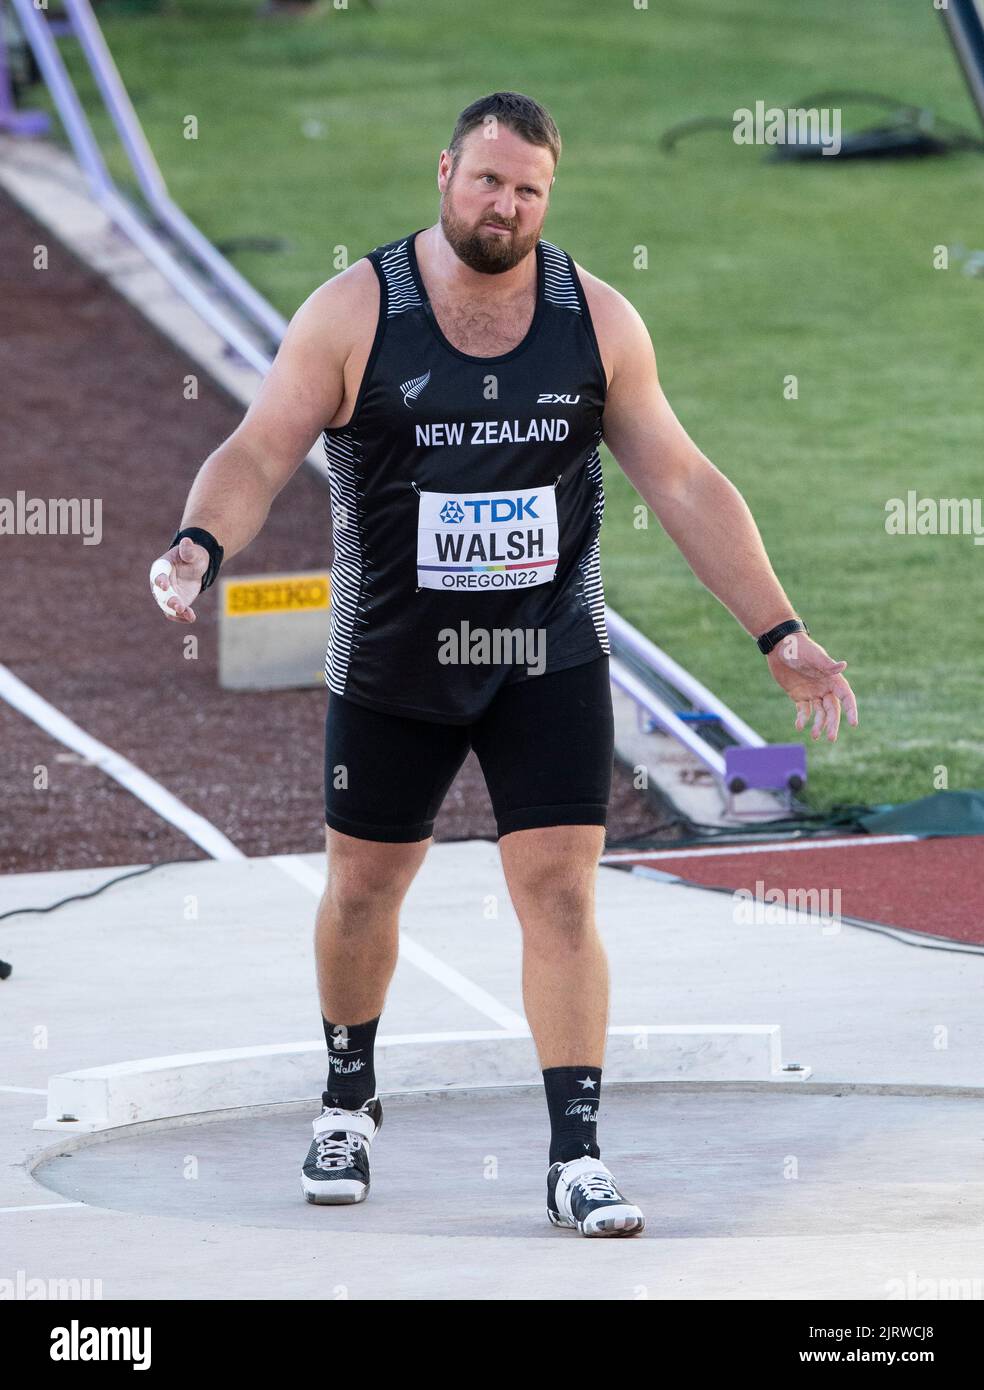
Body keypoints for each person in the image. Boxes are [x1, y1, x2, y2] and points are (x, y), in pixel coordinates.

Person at [149, 91, 858, 1238]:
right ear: (444, 173)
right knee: (366, 889)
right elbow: (260, 444)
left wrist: (779, 633)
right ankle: (347, 1096)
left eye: (529, 189)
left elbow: (681, 480)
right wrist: (199, 543)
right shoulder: (353, 312)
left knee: (563, 893)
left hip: (546, 654)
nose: (506, 205)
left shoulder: (599, 321)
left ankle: (575, 1154)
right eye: (488, 181)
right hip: (394, 659)